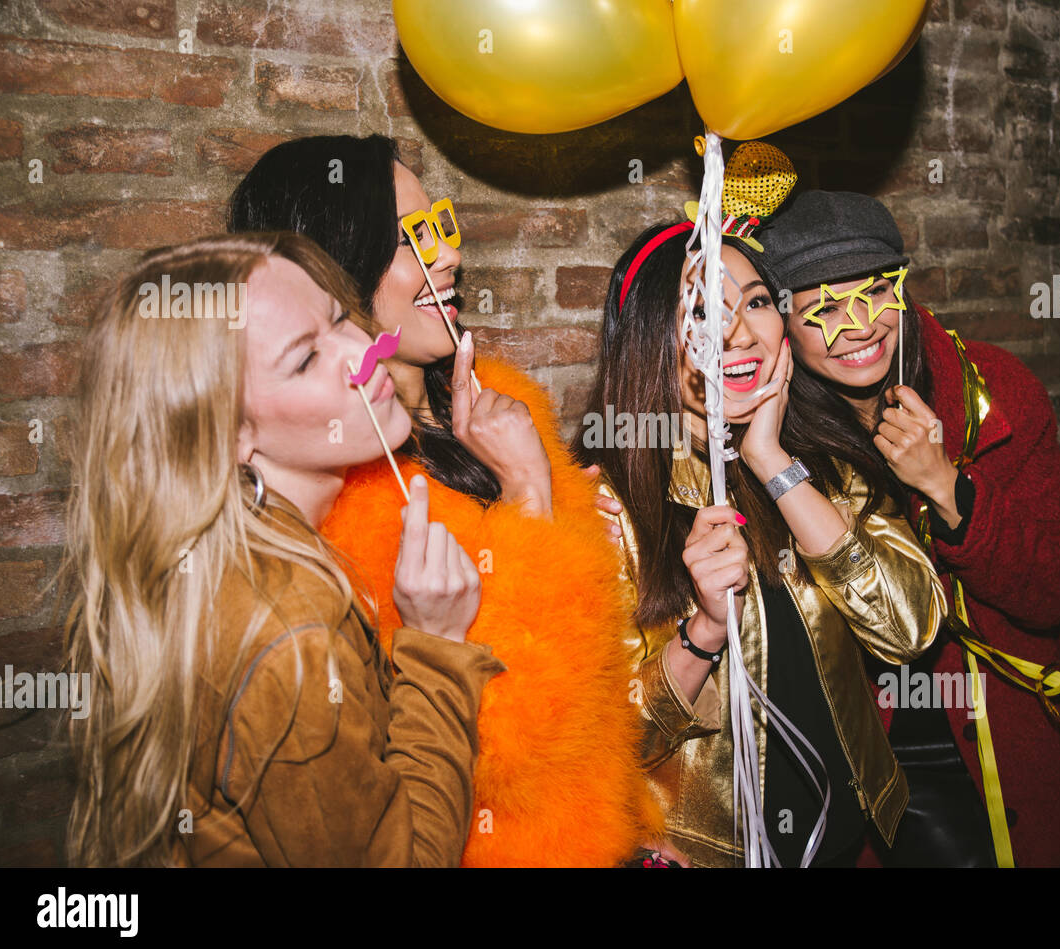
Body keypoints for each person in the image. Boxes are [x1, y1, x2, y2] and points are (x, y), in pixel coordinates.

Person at [228, 135, 664, 867]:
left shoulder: (496, 401)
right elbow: (503, 738)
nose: (448, 255)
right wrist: (531, 496)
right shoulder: (347, 494)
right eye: (413, 238)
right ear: (332, 266)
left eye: (443, 226)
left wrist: (635, 821)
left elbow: (603, 679)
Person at [62, 232, 504, 867]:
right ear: (230, 432)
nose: (364, 351)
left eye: (338, 320)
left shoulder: (238, 556)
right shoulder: (290, 632)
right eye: (303, 360)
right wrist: (438, 647)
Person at [572, 221, 948, 867]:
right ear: (648, 341)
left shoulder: (826, 464)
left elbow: (910, 628)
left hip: (848, 837)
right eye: (700, 311)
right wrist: (703, 633)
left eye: (754, 300)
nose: (738, 332)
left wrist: (774, 462)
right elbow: (604, 747)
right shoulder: (603, 508)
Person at [762, 190, 1060, 867]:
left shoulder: (993, 390)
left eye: (875, 294)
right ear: (783, 324)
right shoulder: (774, 432)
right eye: (823, 306)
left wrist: (949, 489)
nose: (856, 325)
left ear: (904, 291)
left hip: (995, 740)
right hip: (861, 756)